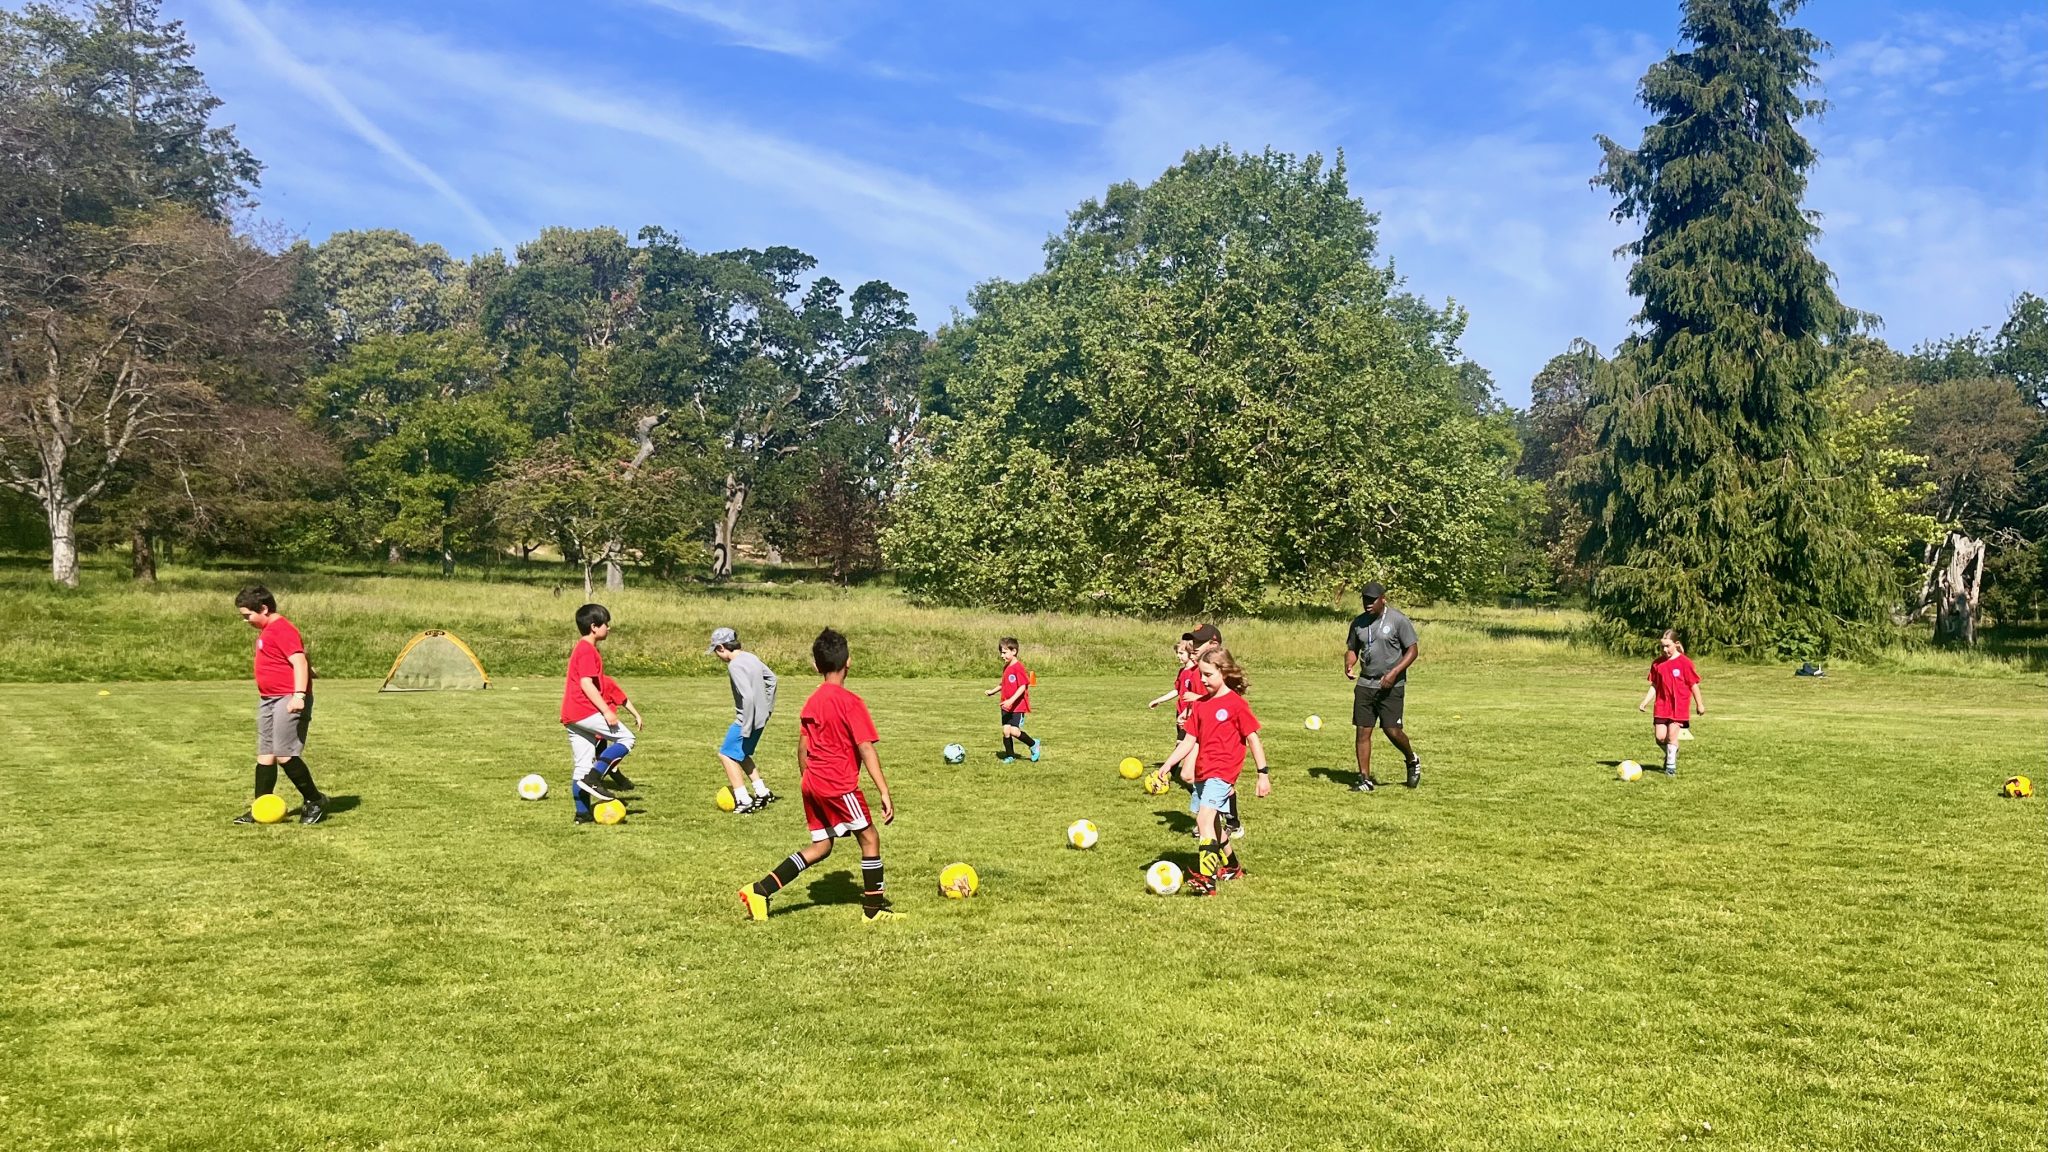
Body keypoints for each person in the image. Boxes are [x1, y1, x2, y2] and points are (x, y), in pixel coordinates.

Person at [739, 628, 900, 922]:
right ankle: (874, 910)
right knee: (869, 838)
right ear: (849, 662)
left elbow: (802, 748)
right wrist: (884, 791)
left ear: (816, 666)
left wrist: (808, 781)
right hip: (838, 784)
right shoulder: (851, 702)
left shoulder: (812, 702)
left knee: (822, 846)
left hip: (812, 782)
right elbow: (866, 748)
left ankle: (760, 891)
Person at [1157, 646, 1269, 895]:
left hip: (1223, 772)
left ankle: (1207, 879)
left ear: (1224, 672)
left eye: (1208, 675)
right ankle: (1232, 867)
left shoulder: (1236, 704)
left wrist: (1263, 774)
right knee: (1214, 824)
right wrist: (1167, 765)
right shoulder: (1200, 706)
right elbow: (1188, 741)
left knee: (1203, 820)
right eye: (1202, 675)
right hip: (1203, 771)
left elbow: (1253, 738)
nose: (1204, 680)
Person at [233, 585, 329, 825]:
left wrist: (299, 695)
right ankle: (260, 808)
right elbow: (298, 657)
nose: (246, 621)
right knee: (266, 755)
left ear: (264, 608)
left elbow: (298, 661)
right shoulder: (268, 630)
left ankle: (315, 800)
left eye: (248, 615)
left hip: (288, 698)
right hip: (268, 698)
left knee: (285, 753)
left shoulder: (282, 628)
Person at [1344, 582, 1422, 792]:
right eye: (1365, 599)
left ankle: (1411, 759)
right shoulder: (1358, 623)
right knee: (1363, 731)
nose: (1368, 604)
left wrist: (1394, 673)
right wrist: (1349, 663)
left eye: (1372, 600)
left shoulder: (1398, 620)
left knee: (1392, 730)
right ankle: (1365, 779)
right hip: (1365, 683)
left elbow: (1412, 651)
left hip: (1391, 684)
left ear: (1383, 599)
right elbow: (1352, 648)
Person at [561, 603, 632, 823]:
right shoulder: (586, 650)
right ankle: (594, 778)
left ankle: (582, 814)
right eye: (605, 624)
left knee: (582, 764)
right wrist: (606, 711)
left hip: (572, 714)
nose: (608, 628)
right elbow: (586, 683)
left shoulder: (584, 648)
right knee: (627, 738)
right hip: (583, 710)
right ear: (594, 627)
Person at [709, 626, 779, 814]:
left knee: (726, 755)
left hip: (745, 720)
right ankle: (762, 792)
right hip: (760, 718)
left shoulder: (734, 665)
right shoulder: (751, 657)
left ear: (722, 647)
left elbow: (747, 697)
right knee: (741, 754)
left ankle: (743, 799)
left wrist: (746, 726)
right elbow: (772, 679)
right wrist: (767, 708)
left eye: (716, 651)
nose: (717, 655)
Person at [1638, 629, 1704, 776]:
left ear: (1676, 644)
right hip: (1662, 706)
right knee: (1660, 738)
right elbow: (1655, 685)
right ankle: (1672, 751)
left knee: (1672, 736)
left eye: (1668, 646)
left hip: (1679, 706)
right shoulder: (1657, 664)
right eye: (1662, 646)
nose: (1664, 650)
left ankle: (1670, 768)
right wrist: (1645, 701)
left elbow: (1693, 685)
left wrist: (1699, 704)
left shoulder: (1685, 663)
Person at [984, 637, 1040, 762]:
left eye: (1004, 652)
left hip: (1017, 706)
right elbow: (1003, 684)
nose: (1002, 655)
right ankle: (1010, 756)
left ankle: (1033, 744)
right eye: (1001, 652)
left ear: (1014, 651)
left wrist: (1011, 700)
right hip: (1006, 705)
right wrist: (992, 691)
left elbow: (1023, 686)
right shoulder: (1006, 667)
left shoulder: (1018, 667)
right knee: (1006, 731)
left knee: (1014, 731)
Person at [1146, 638, 1202, 742]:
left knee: (1185, 742)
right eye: (1177, 653)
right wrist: (1158, 700)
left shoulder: (1197, 671)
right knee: (1181, 741)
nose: (1178, 656)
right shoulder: (1182, 671)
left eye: (1181, 653)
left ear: (1190, 653)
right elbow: (1177, 690)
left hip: (1190, 712)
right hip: (1180, 711)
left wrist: (1190, 710)